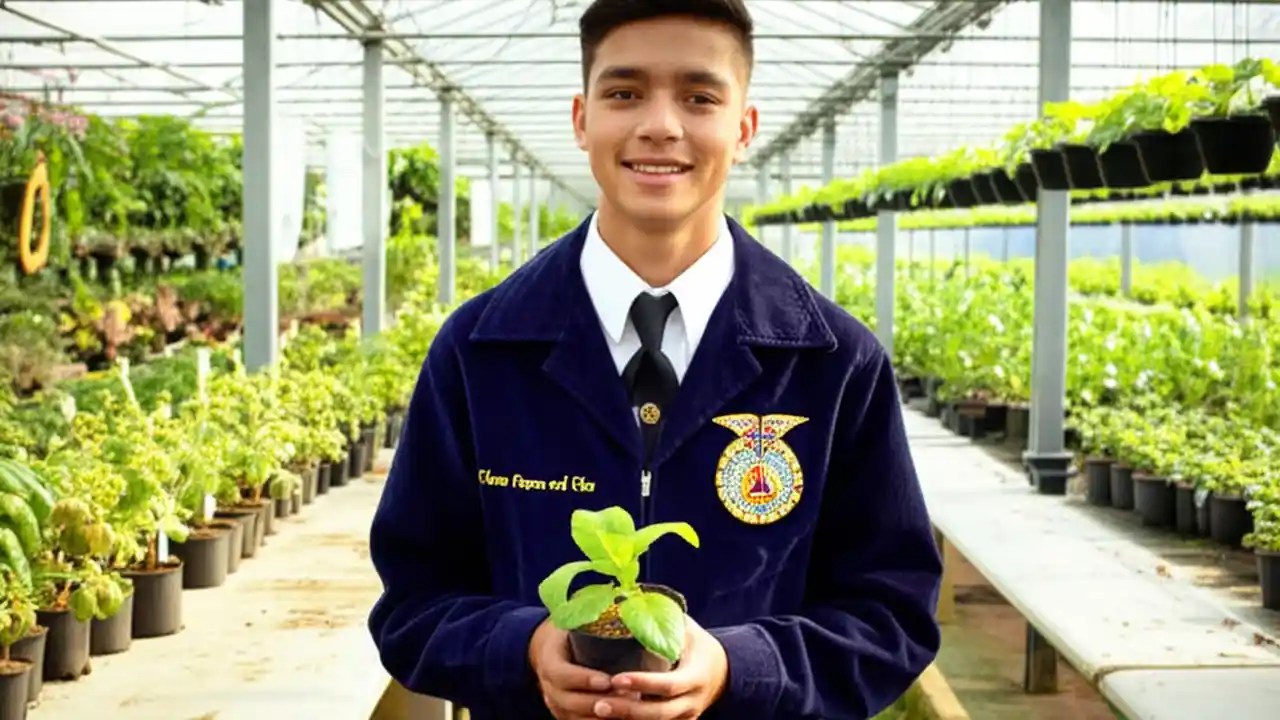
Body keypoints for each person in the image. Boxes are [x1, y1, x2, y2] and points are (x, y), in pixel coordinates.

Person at [367, 1, 943, 718]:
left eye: (699, 97)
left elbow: (892, 615)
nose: (661, 124)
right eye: (624, 92)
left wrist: (739, 667)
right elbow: (413, 601)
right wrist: (524, 648)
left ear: (744, 128)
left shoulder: (833, 363)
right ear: (582, 119)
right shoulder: (480, 352)